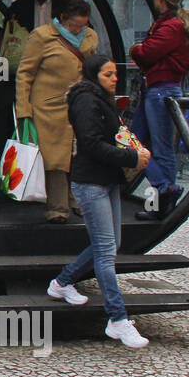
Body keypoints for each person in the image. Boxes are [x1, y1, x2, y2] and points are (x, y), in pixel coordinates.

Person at [46, 55, 153, 349]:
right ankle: (118, 319)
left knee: (109, 243)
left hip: (105, 180)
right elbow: (92, 144)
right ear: (95, 75)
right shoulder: (86, 101)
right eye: (108, 74)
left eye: (115, 73)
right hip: (91, 182)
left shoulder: (99, 98)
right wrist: (132, 157)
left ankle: (62, 282)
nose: (114, 78)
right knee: (107, 251)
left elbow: (112, 136)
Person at [14, 0, 99, 223]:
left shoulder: (91, 37)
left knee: (81, 154)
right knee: (55, 159)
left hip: (80, 104)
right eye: (74, 26)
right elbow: (25, 74)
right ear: (62, 20)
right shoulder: (42, 36)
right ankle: (58, 208)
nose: (79, 30)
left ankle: (78, 200)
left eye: (83, 25)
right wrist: (24, 110)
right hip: (48, 106)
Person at [130, 0, 189, 221]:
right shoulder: (173, 24)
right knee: (138, 141)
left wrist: (135, 49)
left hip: (161, 90)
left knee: (154, 147)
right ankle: (165, 194)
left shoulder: (170, 27)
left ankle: (163, 190)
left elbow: (146, 52)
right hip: (160, 90)